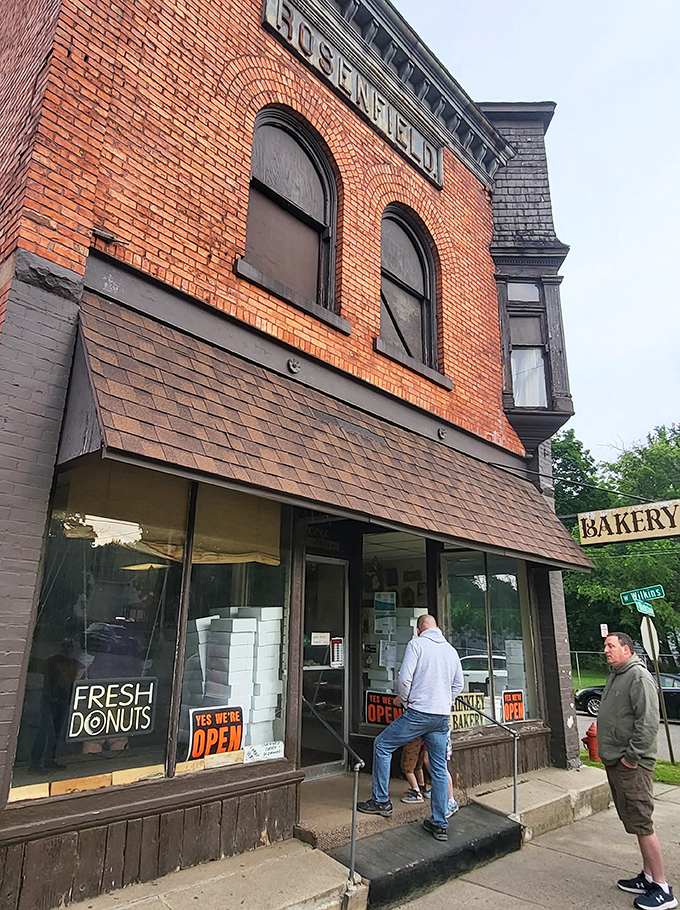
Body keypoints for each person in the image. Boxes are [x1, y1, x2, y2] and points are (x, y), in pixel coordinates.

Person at [357, 613, 463, 841]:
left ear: (418, 629)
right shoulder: (450, 650)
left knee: (382, 745)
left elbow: (404, 679)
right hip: (441, 717)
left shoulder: (417, 645)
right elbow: (458, 684)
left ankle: (381, 800)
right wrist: (446, 702)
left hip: (418, 712)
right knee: (438, 767)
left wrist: (406, 701)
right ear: (437, 628)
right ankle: (439, 823)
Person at [597, 632, 676, 910]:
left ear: (626, 649)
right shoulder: (617, 675)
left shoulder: (639, 677)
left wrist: (631, 759)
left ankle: (662, 889)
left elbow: (648, 723)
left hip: (633, 765)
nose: (606, 650)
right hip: (617, 762)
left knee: (643, 823)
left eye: (610, 646)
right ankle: (648, 877)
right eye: (605, 646)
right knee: (634, 821)